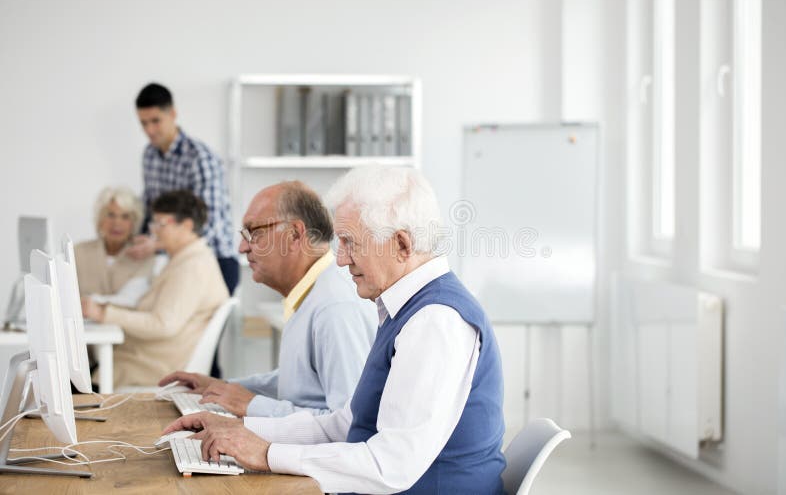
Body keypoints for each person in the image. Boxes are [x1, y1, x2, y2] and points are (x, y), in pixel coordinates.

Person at [163, 166, 507, 494]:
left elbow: (392, 465)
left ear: (402, 244)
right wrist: (243, 430)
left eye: (350, 242)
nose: (340, 259)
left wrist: (267, 454)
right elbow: (345, 424)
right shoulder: (405, 309)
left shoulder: (435, 320)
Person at [159, 181, 375, 417]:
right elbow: (302, 380)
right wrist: (225, 388)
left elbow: (349, 422)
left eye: (254, 232)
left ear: (294, 234)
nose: (242, 248)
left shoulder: (334, 309)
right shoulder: (315, 292)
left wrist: (251, 405)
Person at [81, 190, 228, 388]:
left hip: (152, 366)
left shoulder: (192, 267)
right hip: (145, 358)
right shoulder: (185, 260)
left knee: (72, 386)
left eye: (161, 224)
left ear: (186, 226)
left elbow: (162, 325)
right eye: (154, 223)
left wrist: (103, 313)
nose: (154, 231)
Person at [126, 82, 239, 296]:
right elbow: (150, 207)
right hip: (175, 261)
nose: (149, 130)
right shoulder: (149, 155)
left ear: (173, 114)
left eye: (155, 121)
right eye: (143, 123)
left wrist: (156, 244)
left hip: (214, 261)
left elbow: (208, 223)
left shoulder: (200, 159)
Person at [74, 186, 155, 297]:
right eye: (111, 215)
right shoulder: (78, 253)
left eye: (125, 217)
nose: (117, 223)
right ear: (100, 219)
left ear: (134, 222)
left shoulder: (145, 257)